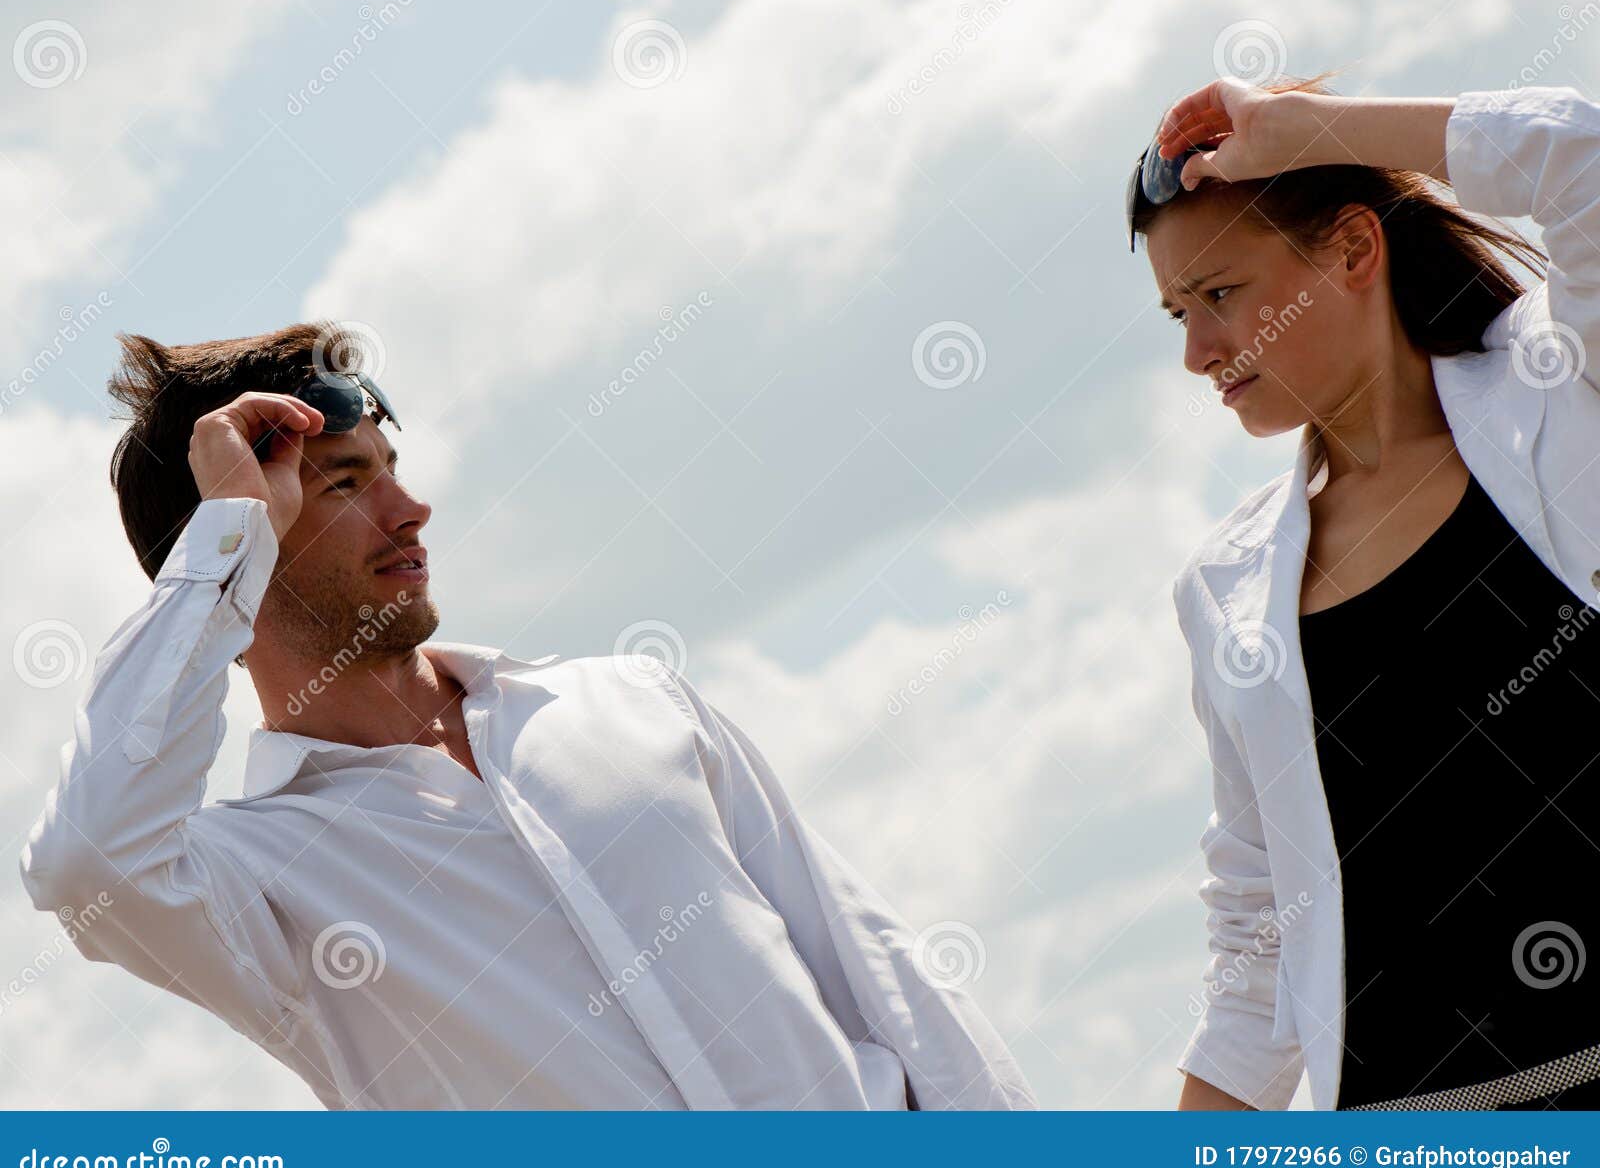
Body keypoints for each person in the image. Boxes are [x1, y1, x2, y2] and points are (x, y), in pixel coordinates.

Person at [19, 324, 1036, 1111]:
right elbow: (85, 864)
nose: (409, 509)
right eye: (342, 482)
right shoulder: (254, 883)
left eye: (392, 468)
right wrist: (231, 529)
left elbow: (880, 975)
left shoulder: (632, 702)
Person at [1129, 77, 1600, 1110]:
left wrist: (1313, 132)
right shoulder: (1224, 588)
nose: (1197, 352)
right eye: (1177, 311)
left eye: (1219, 294)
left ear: (1350, 250)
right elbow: (1256, 947)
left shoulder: (1563, 398)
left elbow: (1581, 156)